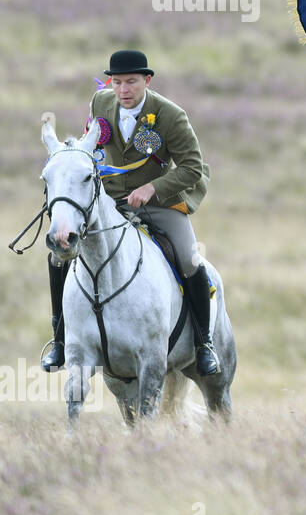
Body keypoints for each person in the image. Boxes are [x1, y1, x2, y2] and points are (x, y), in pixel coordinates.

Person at [42, 50, 221, 375]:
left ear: (146, 81)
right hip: (108, 200)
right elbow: (92, 144)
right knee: (59, 253)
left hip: (158, 202)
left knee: (190, 258)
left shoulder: (170, 115)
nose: (123, 89)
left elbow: (193, 167)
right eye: (118, 82)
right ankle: (59, 340)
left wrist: (153, 188)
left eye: (131, 82)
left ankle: (203, 343)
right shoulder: (101, 103)